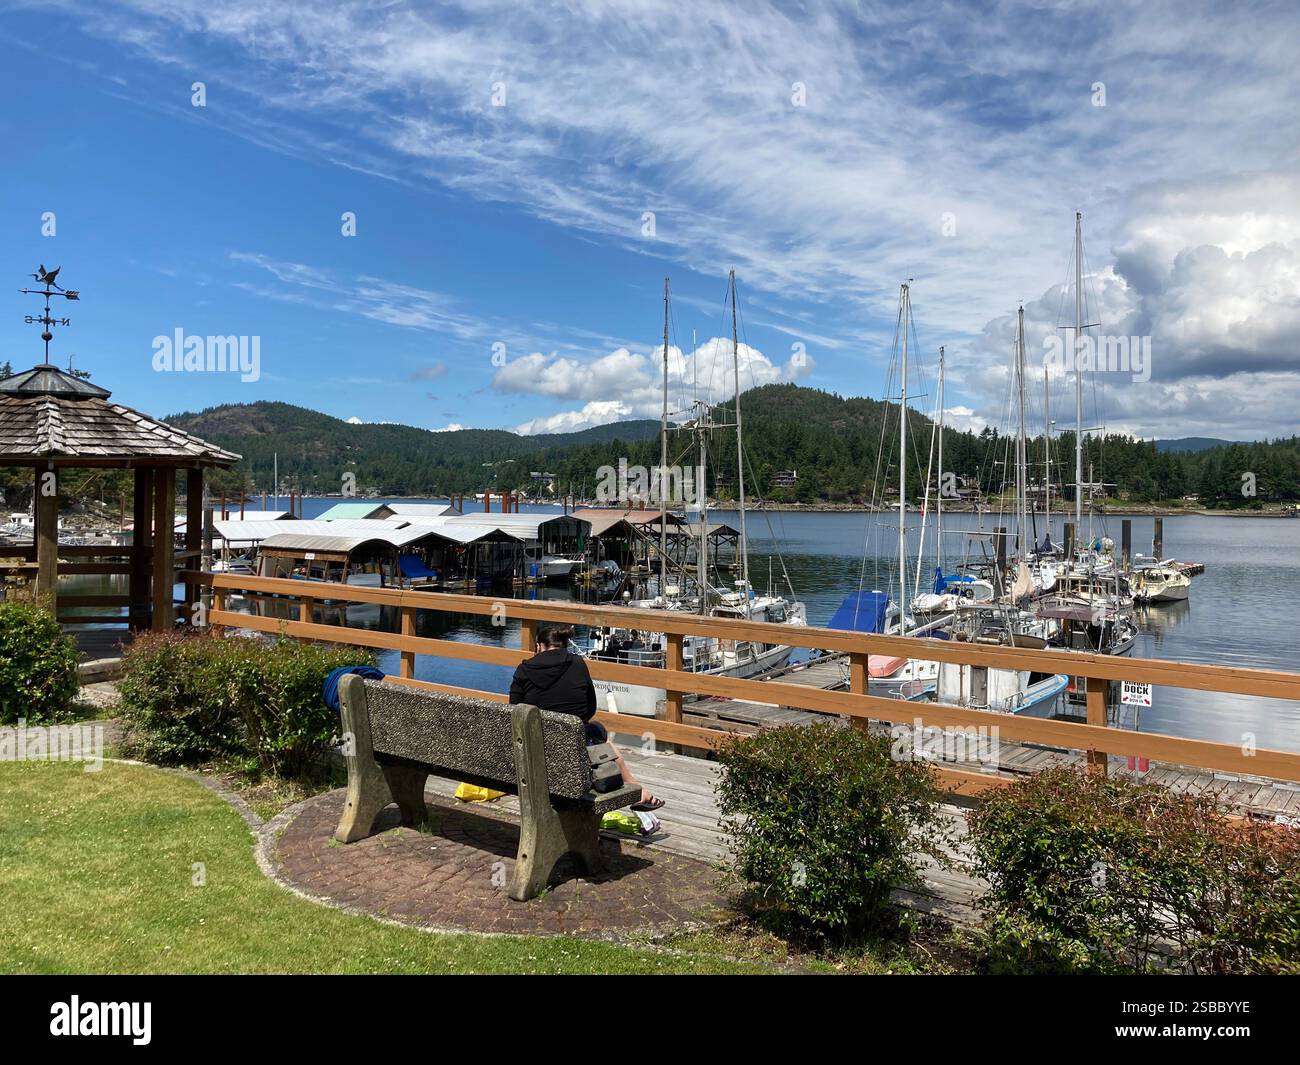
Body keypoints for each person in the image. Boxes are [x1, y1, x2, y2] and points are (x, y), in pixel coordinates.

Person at [508, 624, 664, 811]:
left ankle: (638, 791)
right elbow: (590, 708)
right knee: (598, 730)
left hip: (534, 745)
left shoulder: (524, 669)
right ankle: (637, 790)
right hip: (571, 741)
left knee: (590, 730)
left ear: (539, 646)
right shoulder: (577, 663)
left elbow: (515, 711)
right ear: (563, 645)